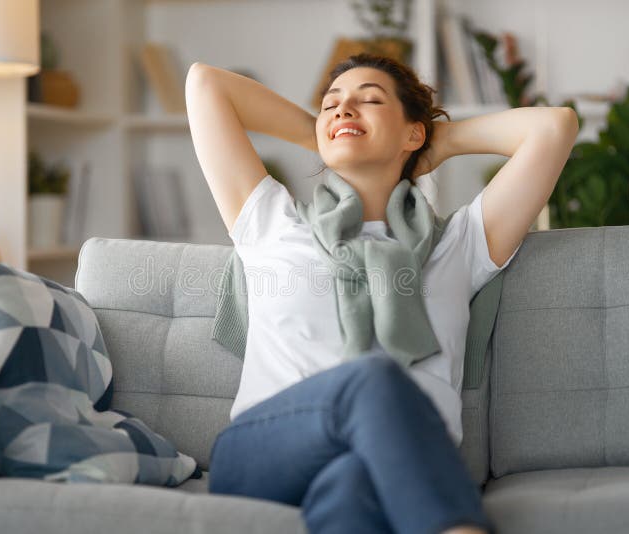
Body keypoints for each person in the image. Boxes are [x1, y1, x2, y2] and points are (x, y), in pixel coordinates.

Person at [185, 53, 579, 534]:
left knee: (351, 488)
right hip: (266, 450)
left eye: (369, 100)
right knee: (372, 378)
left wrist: (440, 141)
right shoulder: (272, 224)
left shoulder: (459, 245)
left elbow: (555, 127)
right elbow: (206, 85)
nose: (343, 109)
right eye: (331, 104)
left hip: (399, 461)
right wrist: (330, 130)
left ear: (414, 134)